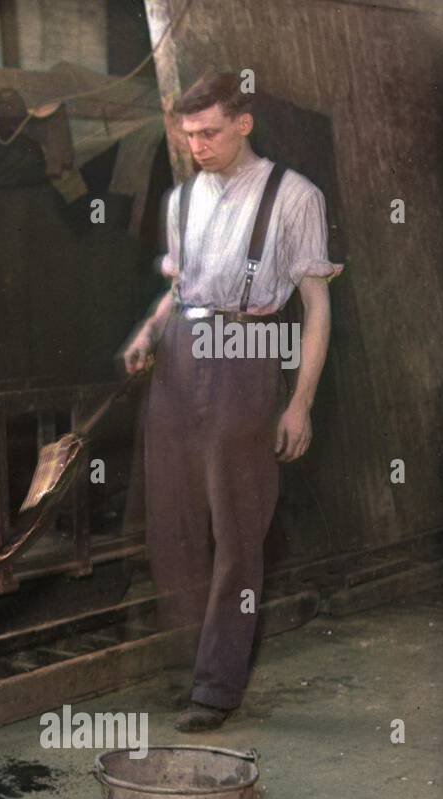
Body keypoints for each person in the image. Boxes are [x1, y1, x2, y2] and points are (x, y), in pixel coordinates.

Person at [120, 70, 342, 732]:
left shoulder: (294, 197)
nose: (197, 146)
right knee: (173, 524)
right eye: (188, 135)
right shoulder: (181, 200)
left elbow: (317, 305)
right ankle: (192, 661)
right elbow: (181, 289)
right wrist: (149, 329)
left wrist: (300, 400)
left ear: (243, 124)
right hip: (180, 359)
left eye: (210, 132)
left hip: (247, 356)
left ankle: (217, 686)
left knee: (237, 528)